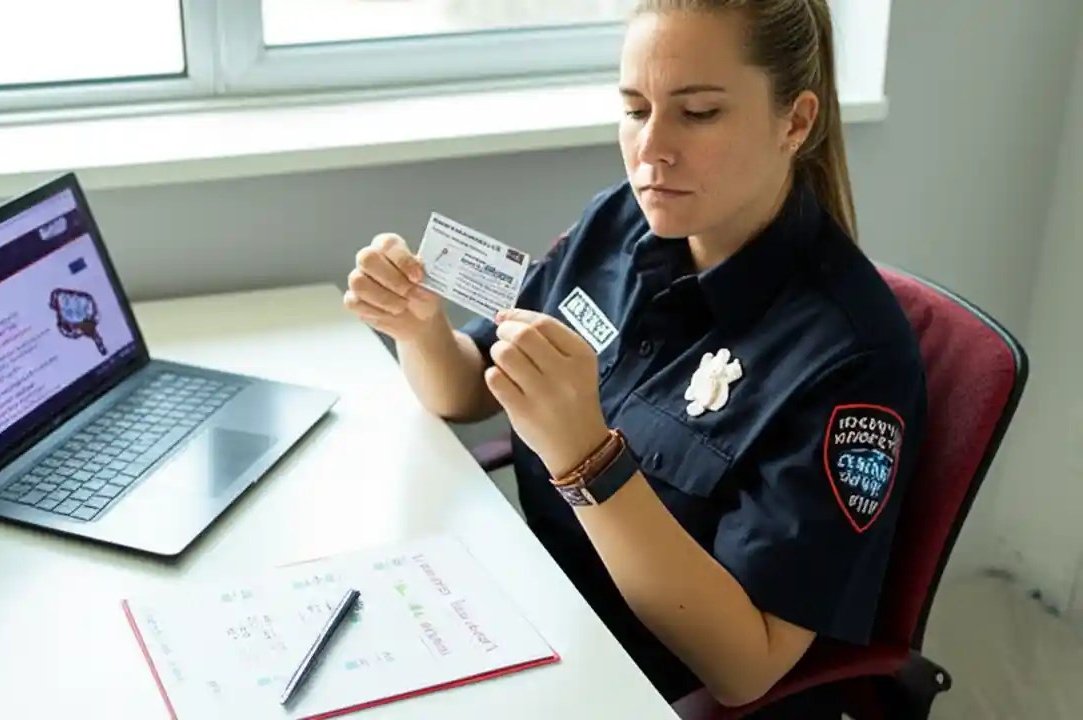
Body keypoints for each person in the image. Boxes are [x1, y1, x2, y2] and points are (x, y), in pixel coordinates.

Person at [342, 0, 926, 713]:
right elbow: (469, 388)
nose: (651, 148)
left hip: (638, 689)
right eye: (634, 107)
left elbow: (746, 667)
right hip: (525, 614)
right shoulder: (620, 219)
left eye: (699, 113)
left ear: (795, 122)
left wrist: (587, 459)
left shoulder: (851, 359)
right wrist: (418, 326)